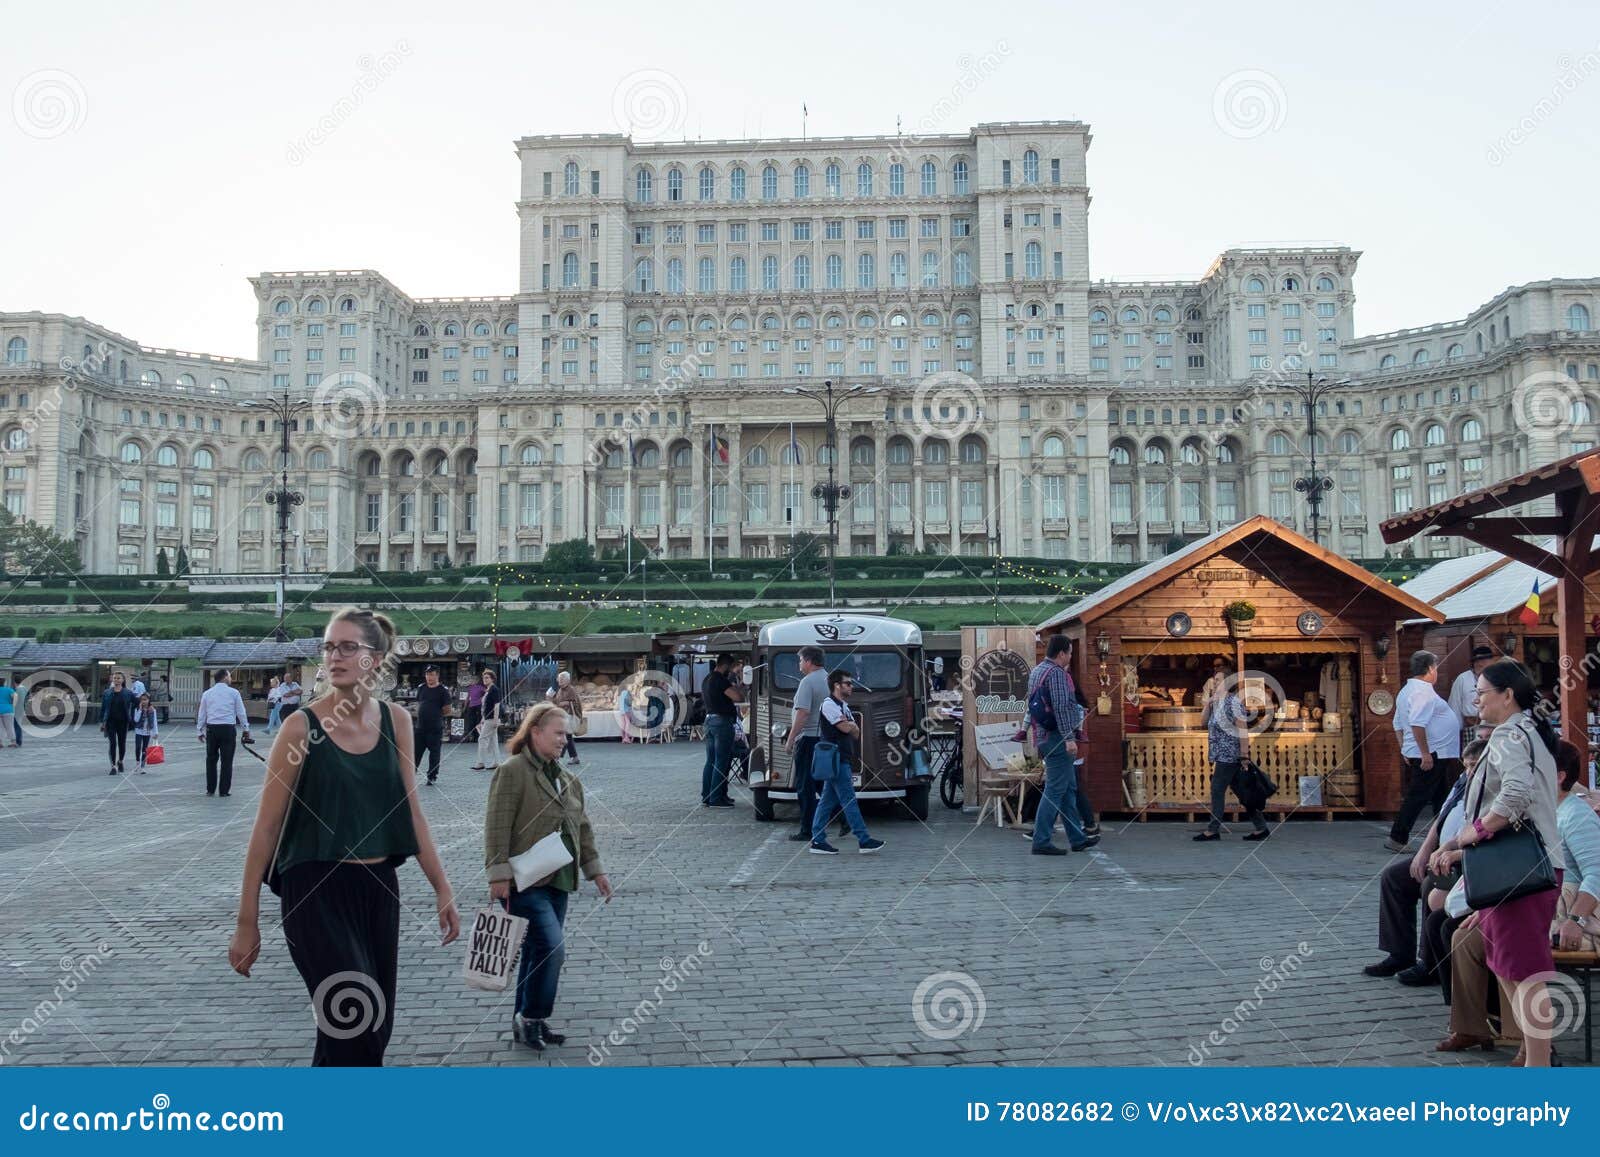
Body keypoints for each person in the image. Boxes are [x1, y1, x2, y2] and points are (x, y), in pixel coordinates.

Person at [228, 606, 459, 1067]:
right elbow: (267, 826)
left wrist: (443, 888)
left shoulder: (397, 723)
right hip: (313, 892)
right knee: (355, 1024)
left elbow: (410, 811)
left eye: (348, 647)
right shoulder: (300, 727)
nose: (334, 656)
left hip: (377, 891)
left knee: (370, 1030)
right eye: (329, 646)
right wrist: (246, 920)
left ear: (374, 658)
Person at [1427, 658, 1562, 1066]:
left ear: (1507, 695)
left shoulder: (1510, 734)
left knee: (1524, 969)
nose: (1477, 699)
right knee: (1506, 962)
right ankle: (1528, 1053)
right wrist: (1454, 843)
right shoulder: (1520, 732)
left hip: (1518, 869)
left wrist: (1469, 836)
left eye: (1482, 692)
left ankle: (1538, 1070)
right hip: (1510, 869)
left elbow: (1514, 796)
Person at [485, 701, 613, 1050]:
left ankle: (529, 1022)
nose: (563, 740)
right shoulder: (512, 771)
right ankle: (530, 1016)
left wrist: (595, 871)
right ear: (535, 732)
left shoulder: (568, 779)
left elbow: (582, 828)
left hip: (559, 880)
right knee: (553, 948)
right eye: (558, 733)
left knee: (536, 952)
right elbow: (497, 826)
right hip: (522, 881)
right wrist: (497, 876)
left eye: (566, 735)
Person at [1363, 740, 1486, 981]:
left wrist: (1451, 853)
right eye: (1466, 765)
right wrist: (1424, 852)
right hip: (1442, 853)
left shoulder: (1492, 788)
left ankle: (1429, 962)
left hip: (1468, 859)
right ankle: (1399, 953)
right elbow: (1441, 817)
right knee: (1394, 877)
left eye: (1474, 765)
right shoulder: (1462, 782)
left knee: (1432, 884)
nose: (1469, 770)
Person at [1387, 651, 1463, 852]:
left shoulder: (1407, 690)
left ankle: (1442, 837)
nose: (1436, 671)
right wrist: (1425, 753)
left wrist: (1405, 746)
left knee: (1441, 796)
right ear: (1430, 668)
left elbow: (1397, 724)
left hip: (1434, 752)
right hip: (1432, 753)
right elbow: (1417, 724)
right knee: (1418, 796)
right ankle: (1398, 836)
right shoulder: (1423, 692)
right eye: (1436, 668)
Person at [1028, 635, 1096, 854]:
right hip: (1057, 737)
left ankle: (1077, 838)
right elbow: (1061, 707)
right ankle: (1041, 840)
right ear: (1061, 653)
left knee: (1068, 789)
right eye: (1070, 653)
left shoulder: (1037, 671)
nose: (1070, 657)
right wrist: (1069, 738)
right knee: (1055, 789)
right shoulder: (1057, 674)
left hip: (1043, 735)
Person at [808, 669, 885, 854]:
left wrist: (849, 726)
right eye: (848, 683)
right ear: (837, 685)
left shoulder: (843, 705)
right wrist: (849, 725)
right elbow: (845, 728)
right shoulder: (828, 704)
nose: (851, 686)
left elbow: (857, 731)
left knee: (827, 802)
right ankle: (863, 839)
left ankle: (817, 840)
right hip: (836, 759)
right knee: (849, 800)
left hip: (842, 758)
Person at [1194, 660, 1269, 842]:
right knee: (1243, 793)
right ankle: (1261, 828)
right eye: (1214, 679)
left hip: (1231, 755)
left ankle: (1213, 830)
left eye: (1218, 679)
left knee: (1217, 790)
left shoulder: (1233, 702)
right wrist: (1208, 703)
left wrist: (1244, 755)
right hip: (1221, 755)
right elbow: (1203, 722)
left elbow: (1242, 729)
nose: (1214, 682)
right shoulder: (1216, 703)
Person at [784, 645, 829, 841]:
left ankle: (807, 829)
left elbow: (802, 713)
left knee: (805, 786)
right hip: (824, 738)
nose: (799, 664)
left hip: (809, 739)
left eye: (801, 660)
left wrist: (791, 738)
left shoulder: (807, 682)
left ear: (809, 661)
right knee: (822, 784)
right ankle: (843, 816)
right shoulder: (829, 679)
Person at [195, 669, 250, 797]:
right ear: (225, 677)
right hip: (227, 729)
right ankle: (224, 791)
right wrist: (246, 729)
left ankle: (210, 789)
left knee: (211, 759)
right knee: (227, 760)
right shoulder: (234, 693)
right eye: (230, 676)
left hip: (212, 729)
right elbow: (240, 712)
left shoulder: (207, 693)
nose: (230, 679)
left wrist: (199, 730)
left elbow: (202, 713)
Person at [700, 653, 742, 808]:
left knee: (711, 760)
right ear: (727, 666)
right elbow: (738, 697)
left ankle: (708, 795)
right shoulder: (720, 680)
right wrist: (736, 682)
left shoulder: (707, 679)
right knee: (722, 761)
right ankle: (717, 797)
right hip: (722, 722)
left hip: (709, 721)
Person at [412, 665, 452, 786]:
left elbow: (447, 710)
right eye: (427, 675)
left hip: (435, 728)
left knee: (434, 753)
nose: (429, 677)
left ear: (437, 676)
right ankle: (410, 774)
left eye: (432, 675)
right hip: (420, 727)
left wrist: (435, 714)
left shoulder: (443, 691)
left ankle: (432, 776)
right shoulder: (421, 688)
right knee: (415, 753)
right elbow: (419, 703)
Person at [1447, 645, 1493, 743]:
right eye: (1476, 661)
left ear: (1491, 661)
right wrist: (1455, 733)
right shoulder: (1462, 679)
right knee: (1472, 757)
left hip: (1494, 727)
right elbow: (1454, 706)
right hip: (1470, 729)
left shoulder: (1497, 678)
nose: (1479, 663)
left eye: (1483, 660)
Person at [100, 671, 137, 774]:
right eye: (115, 678)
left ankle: (120, 761)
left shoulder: (128, 693)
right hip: (110, 721)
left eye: (118, 678)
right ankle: (113, 766)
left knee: (122, 743)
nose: (116, 680)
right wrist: (102, 721)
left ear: (123, 680)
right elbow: (103, 708)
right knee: (112, 743)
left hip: (123, 721)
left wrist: (133, 716)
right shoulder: (107, 692)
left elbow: (137, 703)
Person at [551, 671, 584, 767]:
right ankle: (575, 757)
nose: (560, 681)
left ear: (567, 680)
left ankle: (557, 758)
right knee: (567, 737)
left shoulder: (571, 690)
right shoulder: (560, 690)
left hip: (569, 716)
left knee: (565, 737)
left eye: (562, 679)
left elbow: (576, 703)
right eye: (559, 679)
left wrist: (566, 703)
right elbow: (557, 701)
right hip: (563, 716)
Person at [472, 669, 502, 771]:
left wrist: (495, 719)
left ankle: (481, 762)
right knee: (493, 741)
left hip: (491, 719)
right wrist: (482, 719)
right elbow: (486, 707)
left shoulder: (494, 689)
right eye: (484, 677)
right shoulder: (489, 690)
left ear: (492, 679)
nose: (484, 679)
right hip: (488, 718)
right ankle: (496, 762)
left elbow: (497, 705)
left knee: (482, 739)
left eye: (487, 677)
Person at [132, 692, 160, 773]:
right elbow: (136, 719)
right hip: (139, 730)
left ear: (149, 700)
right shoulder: (137, 709)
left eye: (145, 700)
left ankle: (142, 766)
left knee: (145, 749)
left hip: (147, 731)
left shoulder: (152, 710)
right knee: (138, 747)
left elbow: (154, 722)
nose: (143, 701)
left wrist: (155, 732)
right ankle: (137, 762)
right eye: (142, 700)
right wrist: (140, 710)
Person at [465, 670, 486, 745]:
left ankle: (478, 736)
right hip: (471, 706)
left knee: (478, 720)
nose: (473, 681)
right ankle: (472, 736)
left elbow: (487, 692)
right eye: (472, 680)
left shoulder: (480, 687)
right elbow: (468, 697)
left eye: (474, 680)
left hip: (478, 705)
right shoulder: (470, 687)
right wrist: (464, 707)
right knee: (471, 721)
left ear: (477, 680)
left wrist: (482, 697)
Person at [0, 675, 15, 750]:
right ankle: (13, 742)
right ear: (4, 683)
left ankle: (0, 742)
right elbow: (14, 698)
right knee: (10, 726)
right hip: (8, 710)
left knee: (0, 727)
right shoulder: (9, 690)